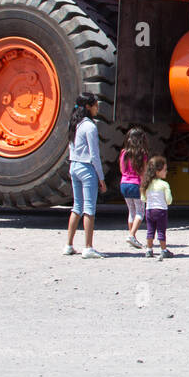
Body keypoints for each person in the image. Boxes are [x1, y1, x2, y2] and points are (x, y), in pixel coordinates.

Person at [64, 93, 107, 258]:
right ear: (89, 106)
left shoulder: (74, 124)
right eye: (96, 105)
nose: (97, 108)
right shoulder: (90, 126)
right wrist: (101, 177)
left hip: (73, 165)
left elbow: (70, 147)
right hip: (86, 167)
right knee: (89, 209)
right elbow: (94, 155)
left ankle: (68, 245)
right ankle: (88, 247)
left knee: (77, 207)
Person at [118, 128, 150, 250]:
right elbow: (144, 172)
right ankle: (131, 235)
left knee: (131, 211)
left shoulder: (123, 152)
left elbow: (122, 169)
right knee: (140, 213)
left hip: (124, 184)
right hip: (136, 185)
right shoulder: (142, 154)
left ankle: (132, 236)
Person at [141, 155, 174, 260]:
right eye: (164, 169)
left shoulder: (146, 184)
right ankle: (163, 250)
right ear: (157, 171)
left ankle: (149, 250)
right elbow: (169, 200)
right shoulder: (164, 185)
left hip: (149, 210)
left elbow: (143, 199)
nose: (166, 171)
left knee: (150, 230)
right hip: (161, 211)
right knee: (161, 230)